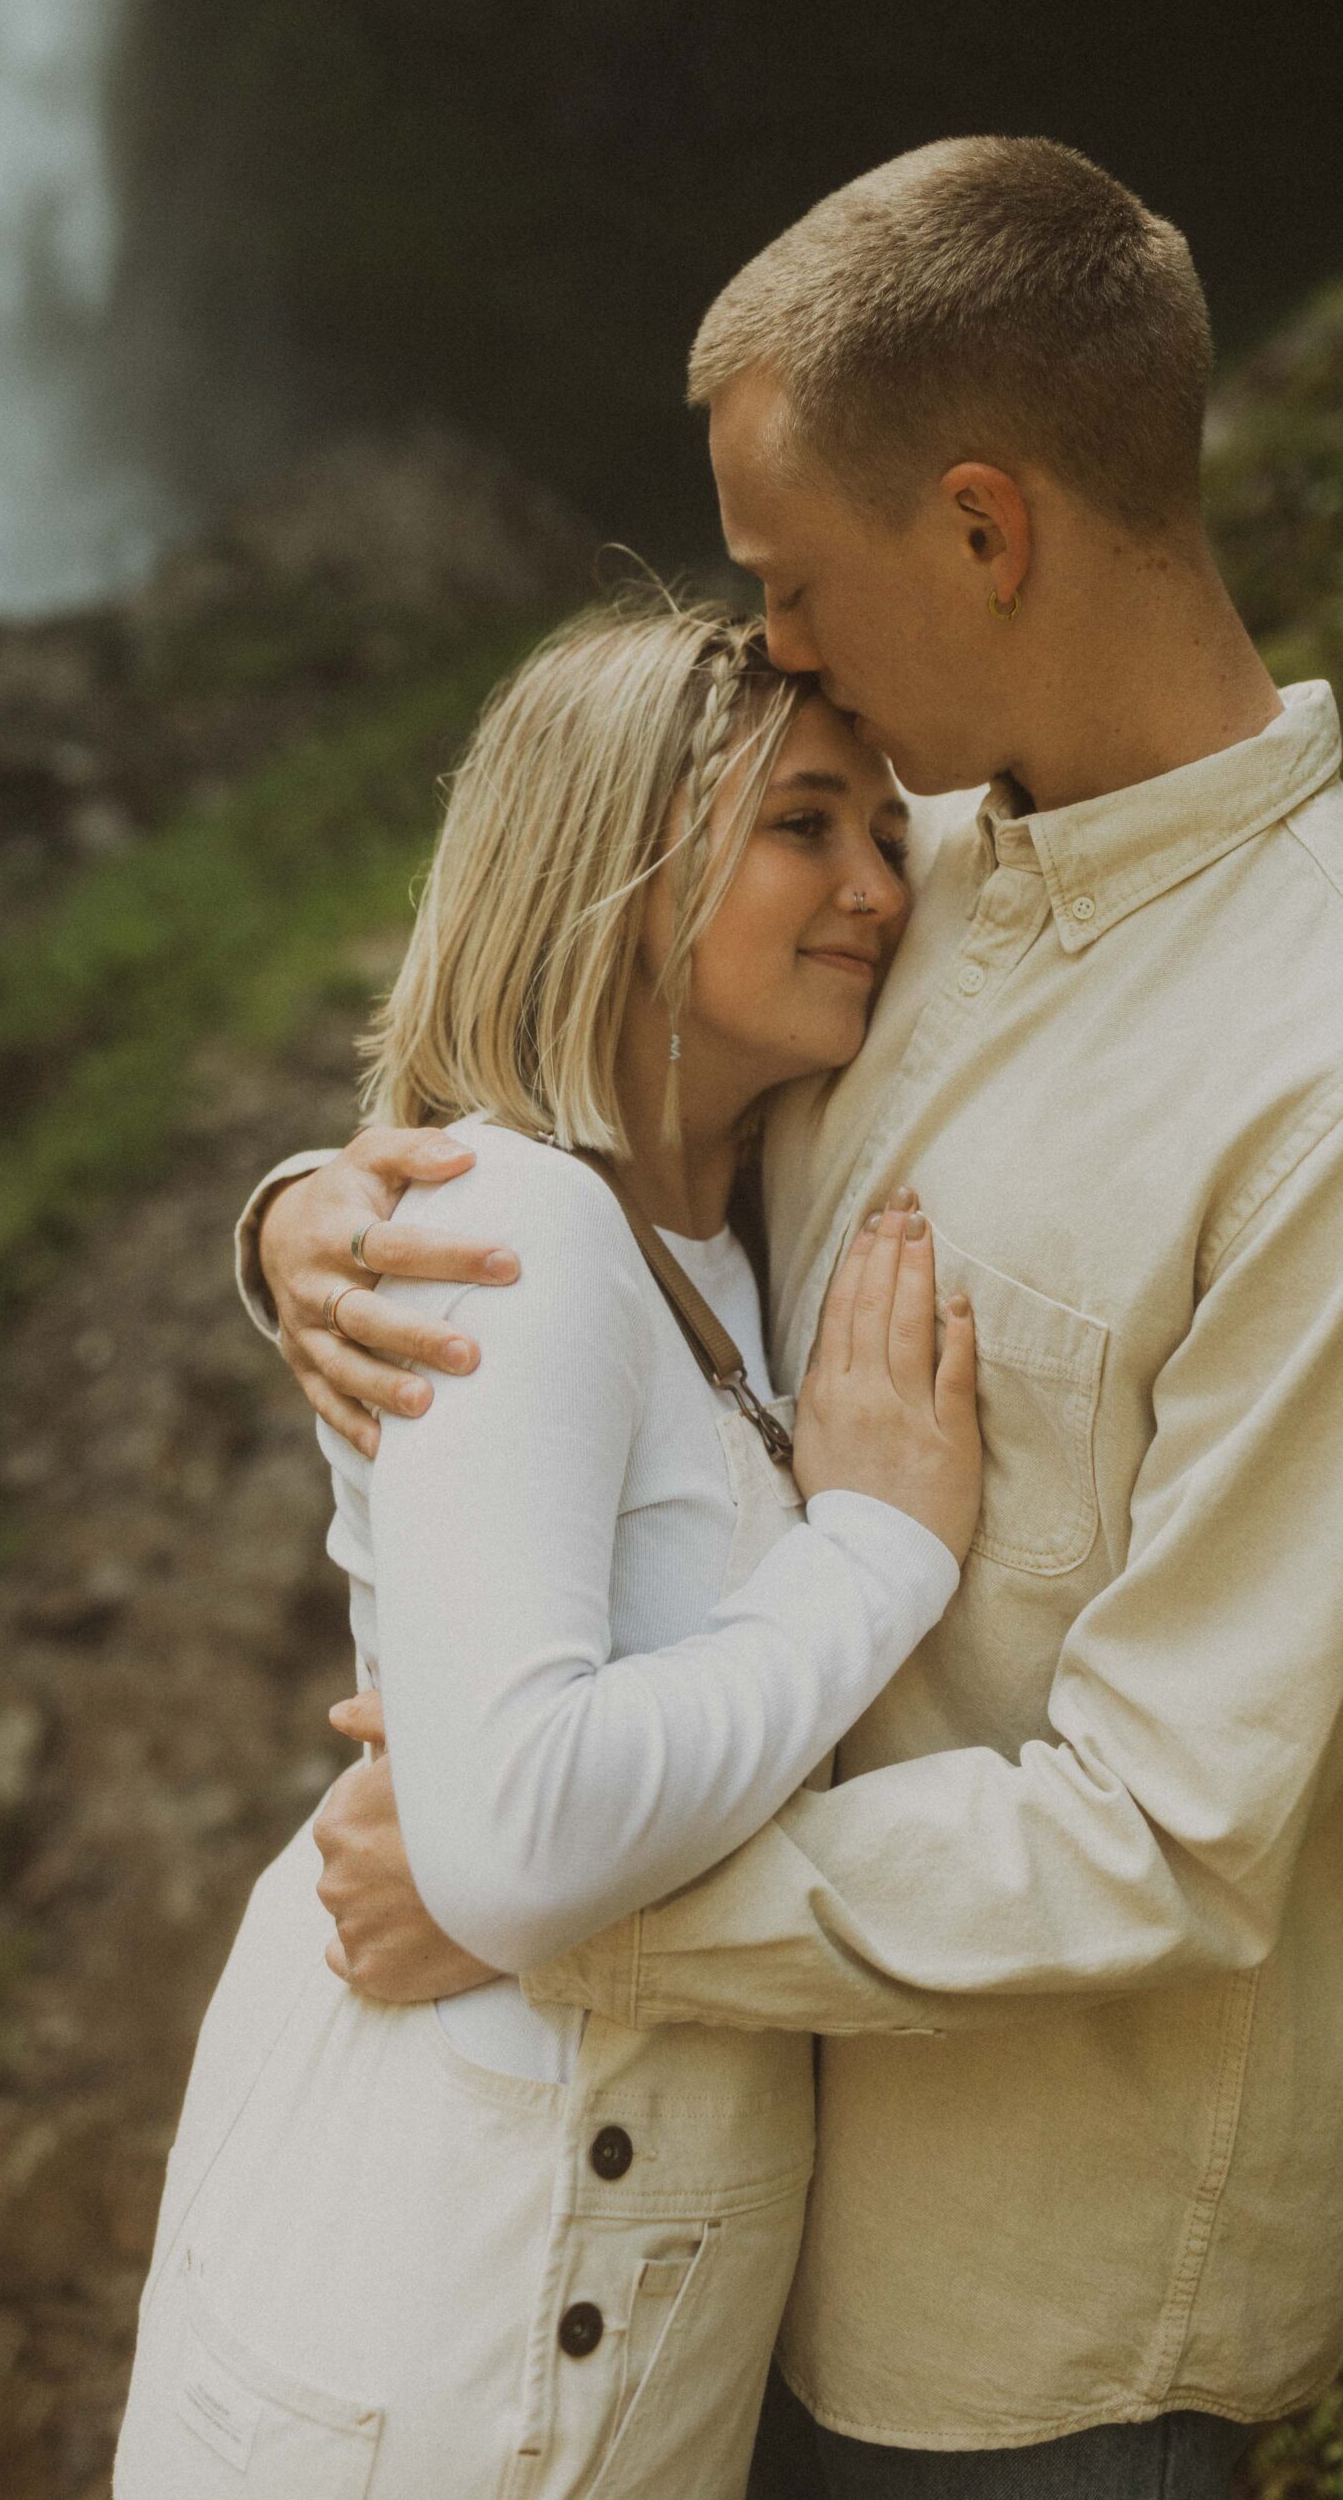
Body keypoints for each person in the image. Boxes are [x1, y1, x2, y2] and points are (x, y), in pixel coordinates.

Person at [243, 139, 1343, 2498]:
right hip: (693, 2197)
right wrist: (308, 1221)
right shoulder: (899, 864)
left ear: (980, 527)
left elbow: (1161, 1833)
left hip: (1026, 2319)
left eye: (789, 579)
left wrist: (543, 1899)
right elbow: (614, 1135)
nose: (775, 649)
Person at [114, 595, 985, 2499]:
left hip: (589, 2275)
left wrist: (284, 1210)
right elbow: (514, 1841)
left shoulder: (723, 1236)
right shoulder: (518, 1225)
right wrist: (874, 1556)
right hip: (466, 2299)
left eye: (885, 835)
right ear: (616, 871)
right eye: (805, 825)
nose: (878, 887)